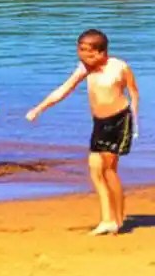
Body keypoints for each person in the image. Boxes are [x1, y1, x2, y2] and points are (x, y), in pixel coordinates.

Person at [26, 29, 140, 236]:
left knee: (109, 169)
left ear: (100, 53)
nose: (81, 56)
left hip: (119, 121)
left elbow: (133, 92)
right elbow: (64, 89)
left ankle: (118, 216)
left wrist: (136, 121)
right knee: (95, 168)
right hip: (99, 123)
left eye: (86, 52)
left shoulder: (119, 67)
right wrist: (39, 108)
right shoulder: (85, 68)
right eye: (79, 50)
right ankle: (107, 219)